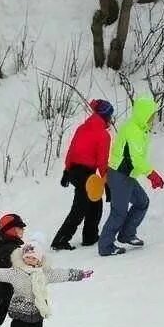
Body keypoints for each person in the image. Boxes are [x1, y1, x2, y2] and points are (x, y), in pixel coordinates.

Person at [98, 97, 164, 256]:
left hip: (127, 176)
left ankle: (126, 234)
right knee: (119, 212)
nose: (153, 119)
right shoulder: (132, 130)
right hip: (119, 174)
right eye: (151, 115)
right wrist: (151, 174)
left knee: (142, 202)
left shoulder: (141, 129)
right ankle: (105, 246)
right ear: (143, 114)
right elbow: (136, 159)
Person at [51, 99, 114, 250]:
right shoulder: (103, 135)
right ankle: (60, 240)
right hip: (86, 173)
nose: (111, 119)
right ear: (105, 116)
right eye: (111, 116)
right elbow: (102, 162)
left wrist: (67, 171)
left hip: (74, 171)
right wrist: (107, 183)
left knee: (94, 202)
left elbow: (72, 150)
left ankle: (90, 236)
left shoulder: (82, 128)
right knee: (80, 208)